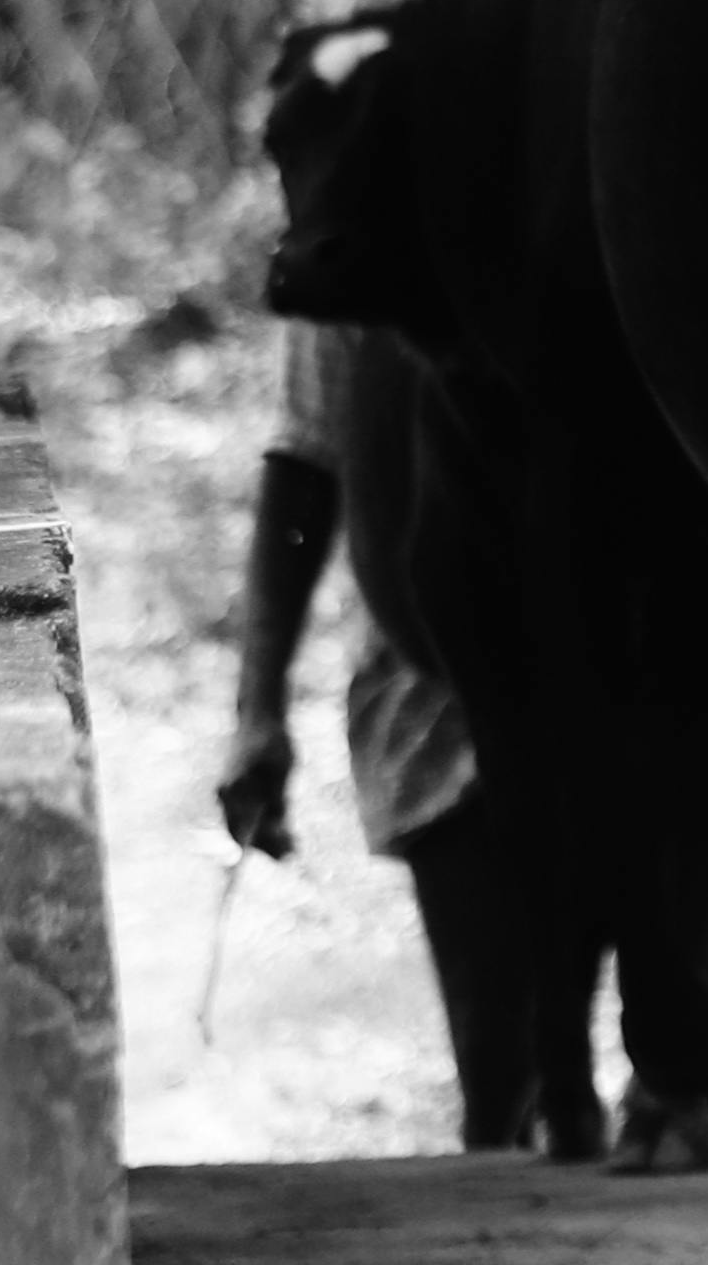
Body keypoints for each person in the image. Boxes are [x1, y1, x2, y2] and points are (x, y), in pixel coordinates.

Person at [217, 317, 551, 1146]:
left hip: (638, 685)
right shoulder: (352, 229)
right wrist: (258, 707)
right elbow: (306, 454)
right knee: (504, 1065)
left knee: (682, 1061)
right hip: (439, 694)